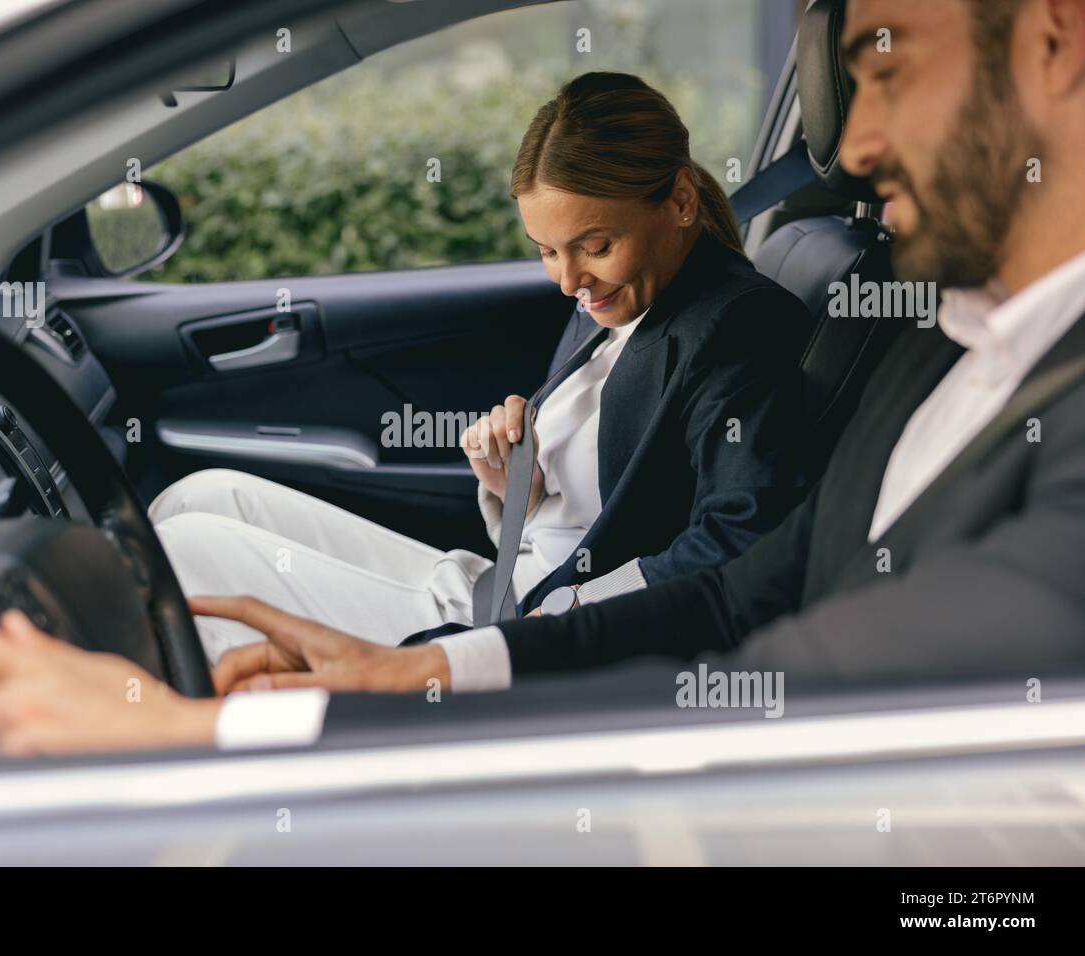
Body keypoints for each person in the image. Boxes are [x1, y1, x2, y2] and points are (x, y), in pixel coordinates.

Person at [0, 0, 1085, 755]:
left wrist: (223, 730)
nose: (855, 141)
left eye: (887, 64)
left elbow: (792, 701)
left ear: (1053, 34)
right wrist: (429, 666)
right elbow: (733, 608)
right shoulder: (935, 349)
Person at [146, 71, 810, 662]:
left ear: (681, 201)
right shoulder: (616, 297)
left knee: (185, 553)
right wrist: (513, 489)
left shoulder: (735, 327)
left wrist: (573, 615)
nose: (567, 279)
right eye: (546, 251)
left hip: (519, 627)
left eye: (594, 246)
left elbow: (740, 538)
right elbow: (591, 499)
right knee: (199, 496)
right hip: (491, 582)